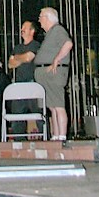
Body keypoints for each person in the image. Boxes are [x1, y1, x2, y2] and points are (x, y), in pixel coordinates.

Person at [34, 7, 73, 141]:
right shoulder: (50, 33)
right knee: (53, 107)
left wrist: (56, 59)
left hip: (54, 73)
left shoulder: (57, 30)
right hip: (47, 73)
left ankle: (61, 136)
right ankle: (56, 135)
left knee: (58, 105)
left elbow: (68, 44)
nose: (39, 20)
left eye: (41, 17)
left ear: (48, 18)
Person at [7, 21, 42, 135]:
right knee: (17, 115)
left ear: (32, 31)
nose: (22, 30)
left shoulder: (36, 45)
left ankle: (45, 138)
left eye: (25, 28)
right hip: (19, 85)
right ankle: (18, 140)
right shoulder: (17, 47)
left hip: (33, 84)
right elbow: (10, 64)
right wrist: (20, 58)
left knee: (39, 114)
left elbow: (28, 58)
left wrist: (17, 58)